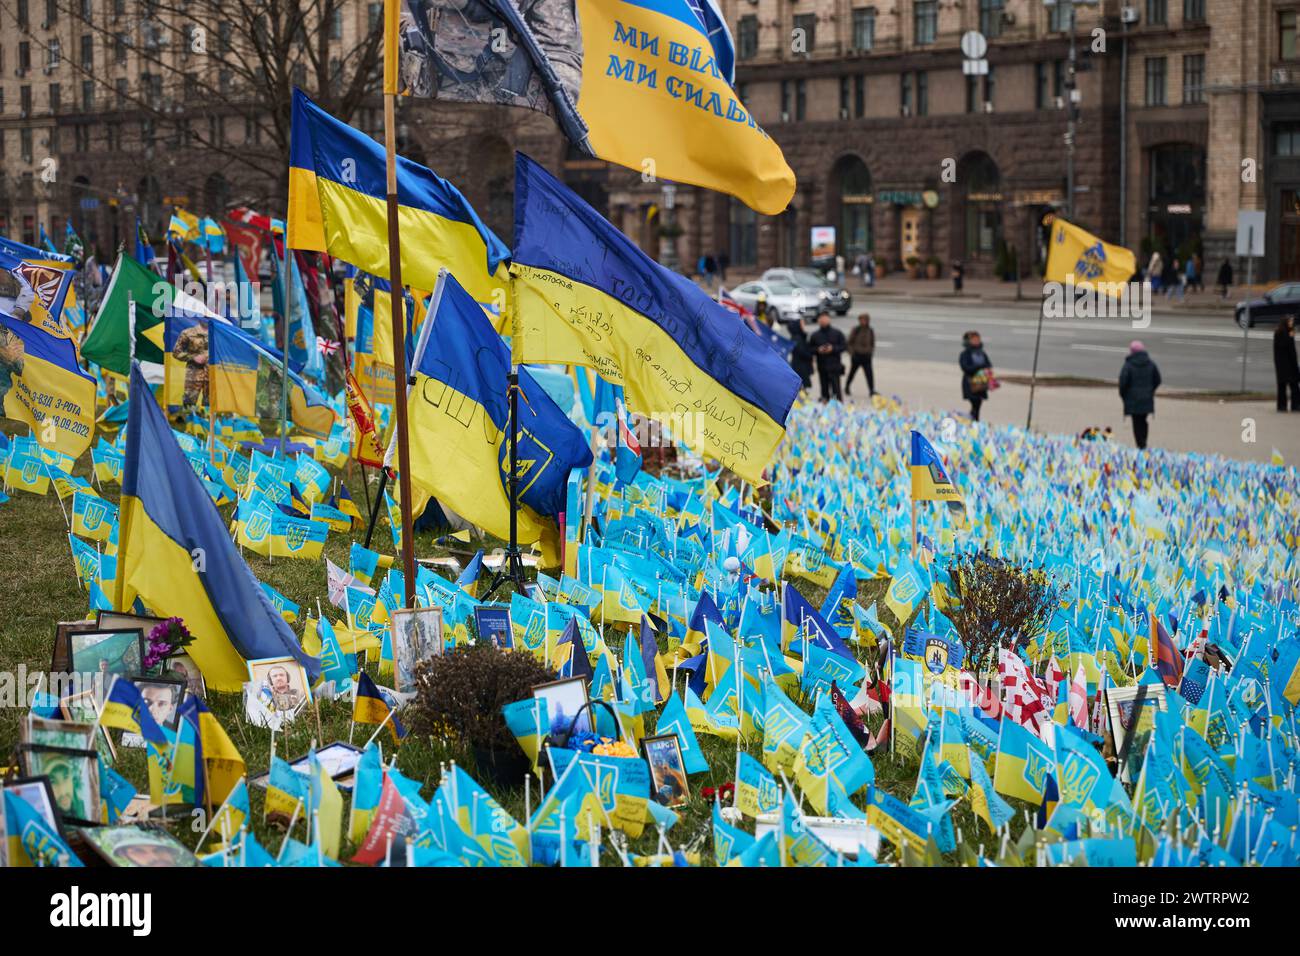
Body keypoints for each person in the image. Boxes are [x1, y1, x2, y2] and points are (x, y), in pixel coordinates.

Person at [1119, 340, 1162, 450]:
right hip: (1146, 398)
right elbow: (1157, 379)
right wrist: (1150, 391)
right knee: (1143, 421)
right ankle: (1143, 442)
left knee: (1136, 422)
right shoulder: (1150, 363)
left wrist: (1124, 395)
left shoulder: (1128, 364)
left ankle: (1140, 444)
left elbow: (1123, 382)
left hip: (1133, 400)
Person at [809, 312, 846, 402]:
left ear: (829, 319)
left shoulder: (837, 333)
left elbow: (844, 346)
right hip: (822, 366)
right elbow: (810, 349)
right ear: (818, 321)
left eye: (825, 318)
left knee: (836, 390)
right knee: (824, 390)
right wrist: (818, 350)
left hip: (834, 366)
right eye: (821, 319)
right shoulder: (815, 335)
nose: (823, 320)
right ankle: (825, 406)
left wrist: (832, 349)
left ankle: (838, 407)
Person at [959, 331, 993, 421]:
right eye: (974, 339)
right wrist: (979, 367)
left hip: (981, 384)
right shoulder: (965, 354)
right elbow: (965, 367)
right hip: (970, 383)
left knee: (978, 404)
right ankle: (973, 421)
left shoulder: (982, 353)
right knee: (975, 403)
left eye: (978, 339)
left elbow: (988, 364)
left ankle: (973, 420)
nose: (977, 341)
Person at [845, 312, 876, 398]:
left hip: (866, 356)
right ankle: (847, 386)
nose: (863, 322)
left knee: (869, 374)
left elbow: (872, 343)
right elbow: (849, 343)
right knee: (852, 372)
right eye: (861, 320)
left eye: (864, 320)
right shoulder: (856, 329)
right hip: (857, 356)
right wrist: (852, 353)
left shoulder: (870, 330)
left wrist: (870, 351)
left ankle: (871, 390)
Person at [1274, 315, 1300, 412]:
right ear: (1285, 322)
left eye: (1292, 321)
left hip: (1287, 364)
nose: (1291, 323)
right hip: (1285, 364)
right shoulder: (1281, 333)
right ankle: (1283, 406)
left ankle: (1294, 405)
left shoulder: (1287, 332)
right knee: (1286, 386)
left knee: (1293, 386)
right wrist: (1290, 337)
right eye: (1290, 321)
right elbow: (1284, 346)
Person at [787, 315, 814, 391]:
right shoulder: (797, 338)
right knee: (803, 389)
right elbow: (802, 352)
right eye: (802, 323)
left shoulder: (799, 337)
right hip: (801, 368)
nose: (804, 325)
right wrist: (811, 355)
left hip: (801, 366)